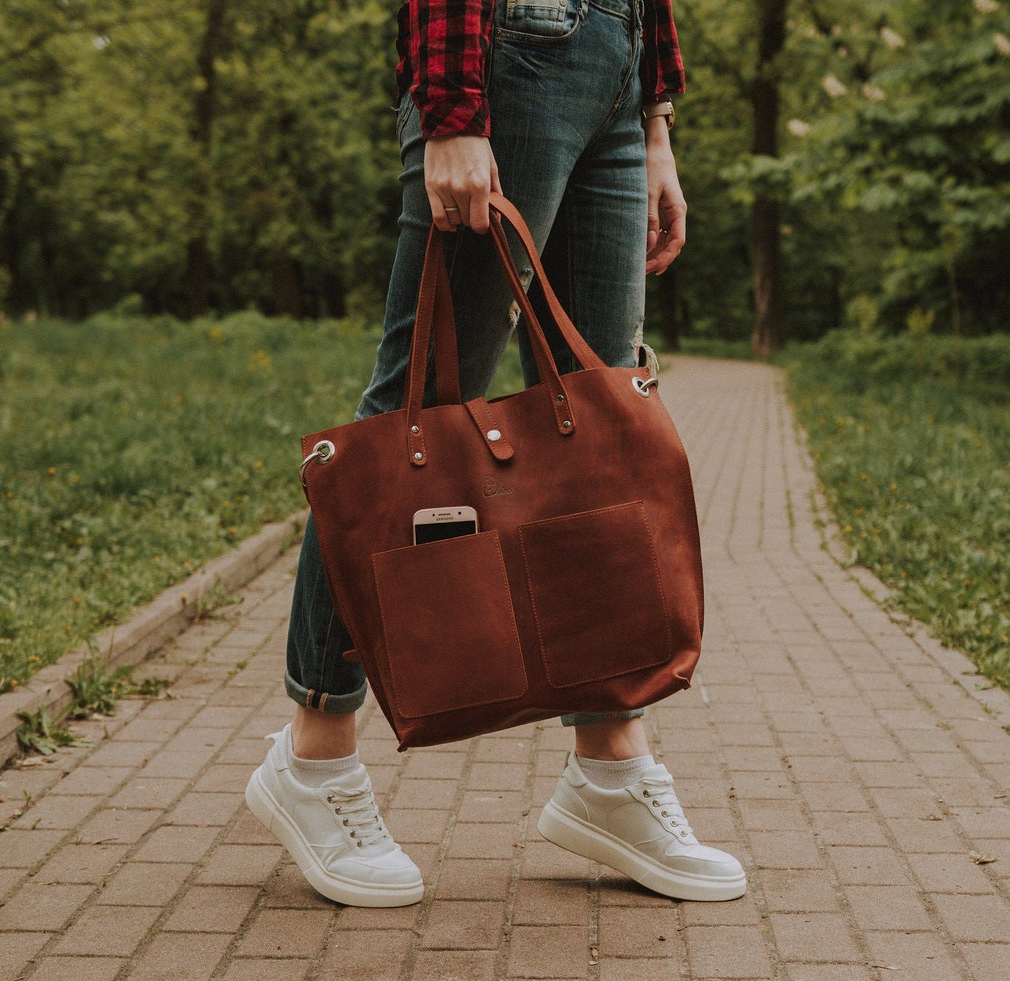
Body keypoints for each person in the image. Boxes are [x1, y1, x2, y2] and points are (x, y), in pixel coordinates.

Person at [244, 0, 746, 908]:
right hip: (512, 49)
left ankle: (610, 769)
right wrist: (452, 110)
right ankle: (311, 758)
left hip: (617, 62)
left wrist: (656, 117)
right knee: (411, 420)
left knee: (600, 429)